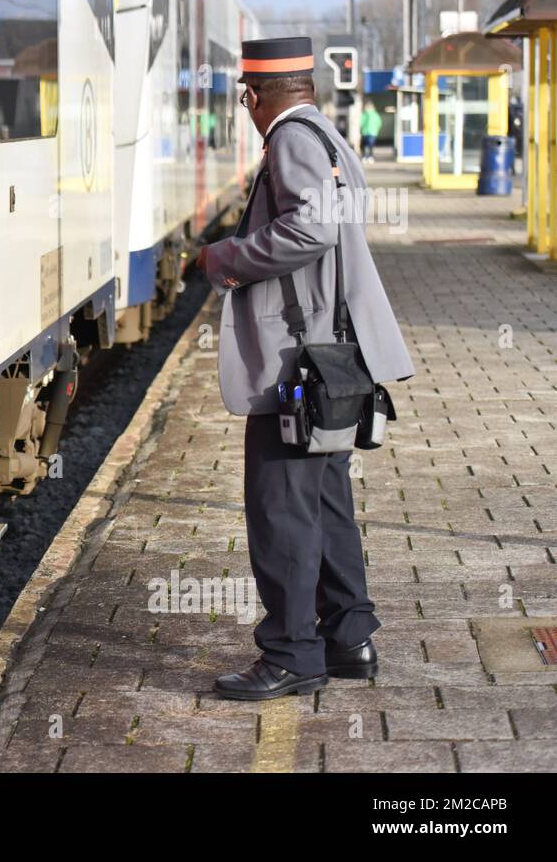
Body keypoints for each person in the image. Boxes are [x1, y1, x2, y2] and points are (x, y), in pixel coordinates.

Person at [195, 36, 414, 701]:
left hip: (297, 365)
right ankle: (350, 639)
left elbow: (312, 229)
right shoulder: (330, 137)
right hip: (334, 363)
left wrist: (227, 258)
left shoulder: (290, 140)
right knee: (325, 500)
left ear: (255, 96)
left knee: (280, 509)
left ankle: (292, 653)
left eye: (245, 98)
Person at [359, 99, 381, 164]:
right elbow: (379, 123)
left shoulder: (368, 114)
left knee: (367, 145)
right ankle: (368, 157)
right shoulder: (373, 115)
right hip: (369, 132)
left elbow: (361, 123)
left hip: (368, 132)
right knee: (368, 145)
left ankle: (367, 157)